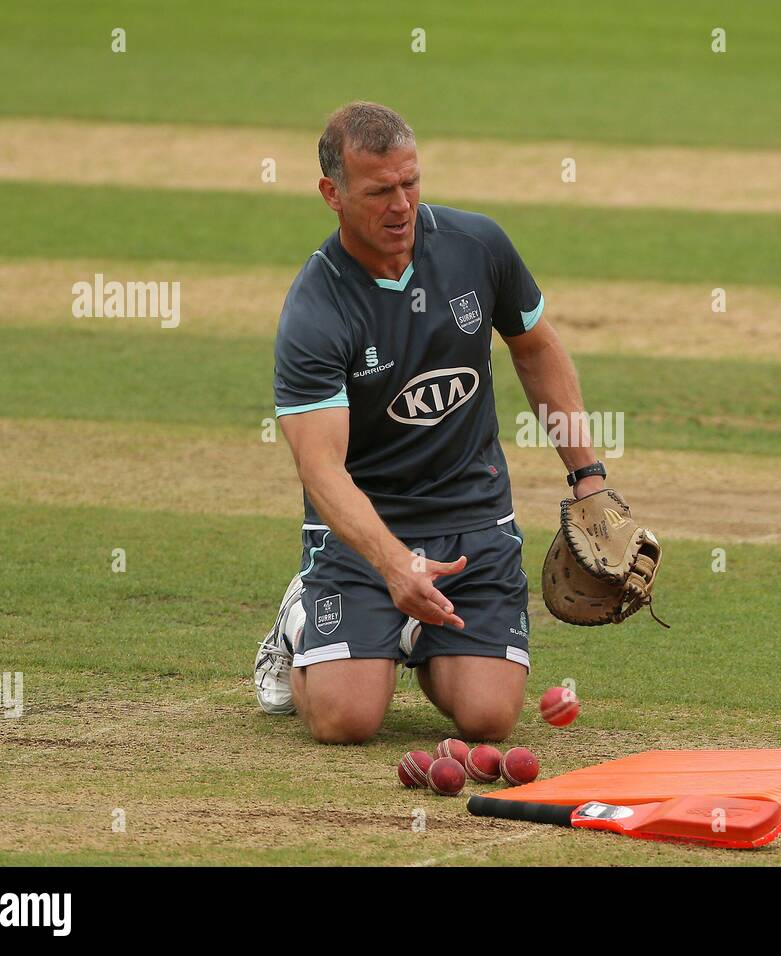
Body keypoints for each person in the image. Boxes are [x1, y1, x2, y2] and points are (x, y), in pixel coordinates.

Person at [253, 101, 609, 744]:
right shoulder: (316, 308)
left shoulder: (478, 248)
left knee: (488, 719)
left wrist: (588, 476)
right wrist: (393, 564)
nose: (401, 206)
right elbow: (319, 467)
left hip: (472, 518)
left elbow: (535, 347)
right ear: (332, 194)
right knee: (347, 720)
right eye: (379, 191)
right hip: (365, 531)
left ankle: (411, 636)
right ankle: (301, 619)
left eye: (410, 183)